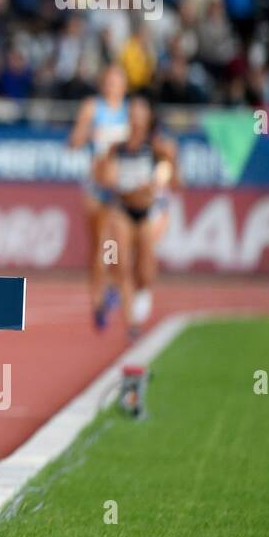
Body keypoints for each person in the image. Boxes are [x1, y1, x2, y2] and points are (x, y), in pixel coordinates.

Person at [95, 97, 177, 339]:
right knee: (121, 266)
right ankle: (133, 325)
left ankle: (134, 294)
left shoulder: (157, 147)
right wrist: (126, 187)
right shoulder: (117, 147)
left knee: (145, 272)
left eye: (141, 112)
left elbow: (175, 180)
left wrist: (167, 169)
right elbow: (107, 179)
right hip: (122, 209)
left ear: (148, 117)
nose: (136, 117)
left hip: (147, 212)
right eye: (132, 112)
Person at [69, 64, 129, 330]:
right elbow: (74, 141)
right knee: (99, 248)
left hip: (123, 189)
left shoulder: (132, 112)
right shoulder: (93, 108)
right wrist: (88, 133)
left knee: (117, 248)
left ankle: (115, 286)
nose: (112, 85)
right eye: (108, 80)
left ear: (125, 85)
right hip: (96, 186)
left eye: (117, 81)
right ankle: (96, 301)